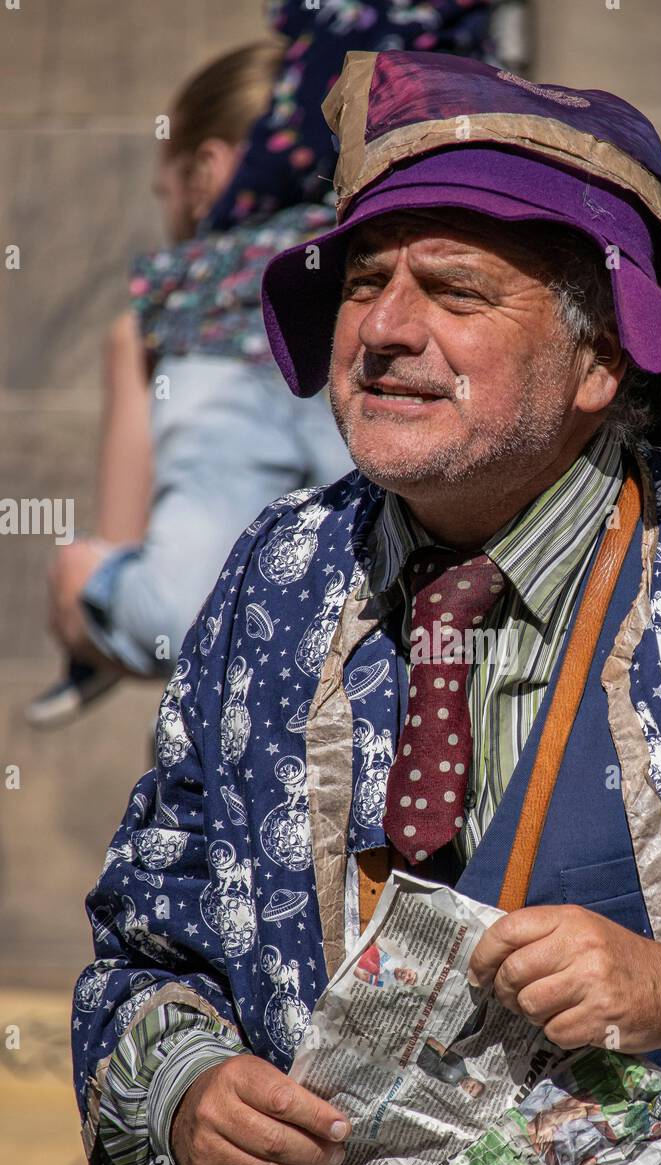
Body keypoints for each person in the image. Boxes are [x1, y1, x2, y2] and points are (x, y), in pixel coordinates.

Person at [73, 50, 661, 1165]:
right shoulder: (272, 584)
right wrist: (188, 1089)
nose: (383, 329)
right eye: (365, 283)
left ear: (600, 362)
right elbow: (146, 941)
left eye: (455, 291)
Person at [37, 0, 511, 721]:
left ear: (208, 171)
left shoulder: (188, 320)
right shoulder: (407, 276)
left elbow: (168, 619)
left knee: (95, 575)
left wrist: (82, 593)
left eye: (166, 194)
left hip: (269, 744)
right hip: (417, 712)